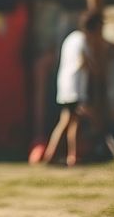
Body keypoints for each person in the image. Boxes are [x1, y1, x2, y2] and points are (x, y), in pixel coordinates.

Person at [40, 10, 106, 166]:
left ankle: (68, 156)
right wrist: (97, 71)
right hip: (75, 88)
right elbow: (83, 61)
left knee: (70, 121)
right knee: (73, 120)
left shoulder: (71, 38)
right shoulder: (83, 40)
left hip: (66, 86)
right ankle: (55, 155)